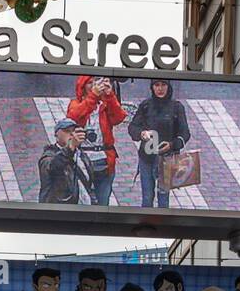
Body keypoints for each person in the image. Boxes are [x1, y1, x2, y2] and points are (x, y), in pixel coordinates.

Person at [128, 77, 190, 209]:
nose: (160, 89)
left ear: (168, 87)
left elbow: (185, 134)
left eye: (163, 85)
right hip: (147, 157)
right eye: (157, 85)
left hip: (167, 159)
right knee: (147, 197)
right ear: (152, 87)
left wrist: (172, 145)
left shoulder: (177, 107)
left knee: (163, 197)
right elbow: (132, 127)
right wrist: (141, 134)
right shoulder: (145, 106)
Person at [66, 75, 127, 205]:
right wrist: (93, 96)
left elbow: (119, 118)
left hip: (104, 160)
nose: (94, 85)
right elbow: (73, 117)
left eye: (96, 82)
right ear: (82, 87)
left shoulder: (105, 103)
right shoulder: (76, 103)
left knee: (103, 202)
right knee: (83, 201)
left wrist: (110, 96)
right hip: (82, 161)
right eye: (90, 83)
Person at [38, 119, 91, 204]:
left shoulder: (80, 154)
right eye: (67, 131)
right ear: (56, 134)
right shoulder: (48, 155)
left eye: (74, 131)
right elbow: (54, 167)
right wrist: (70, 148)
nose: (71, 134)